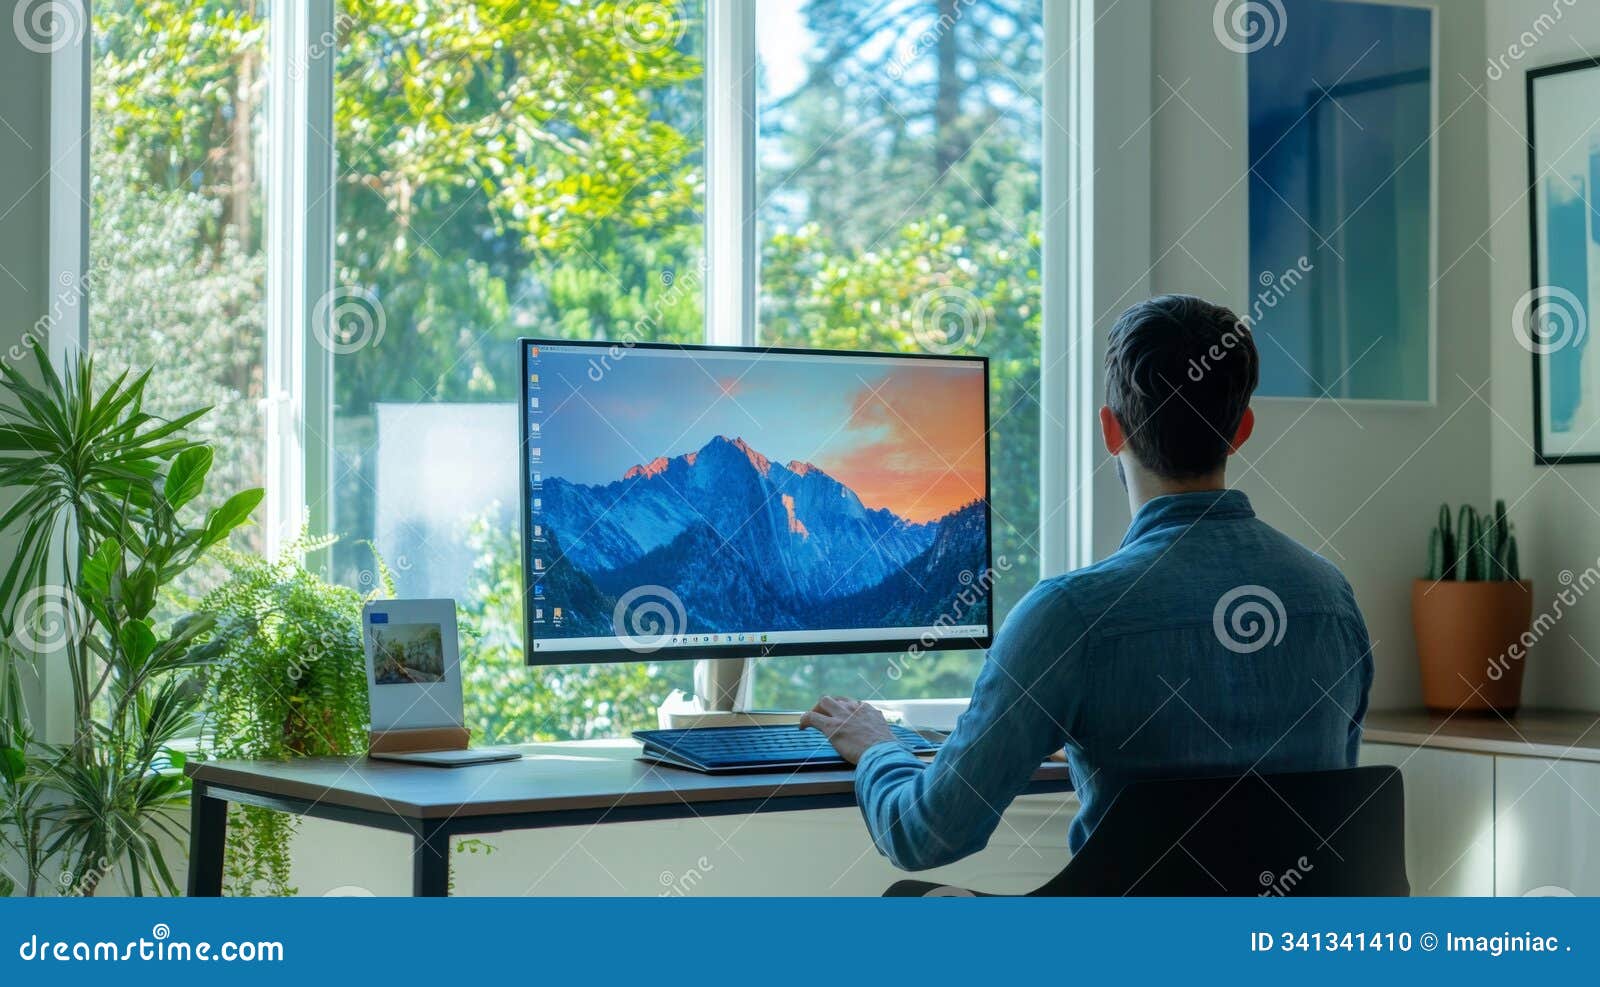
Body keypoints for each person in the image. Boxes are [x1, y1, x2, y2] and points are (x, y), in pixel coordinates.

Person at [801, 294, 1374, 871]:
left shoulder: (1071, 615)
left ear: (1110, 429)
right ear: (1242, 430)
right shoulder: (1329, 598)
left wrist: (876, 743)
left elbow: (925, 835)